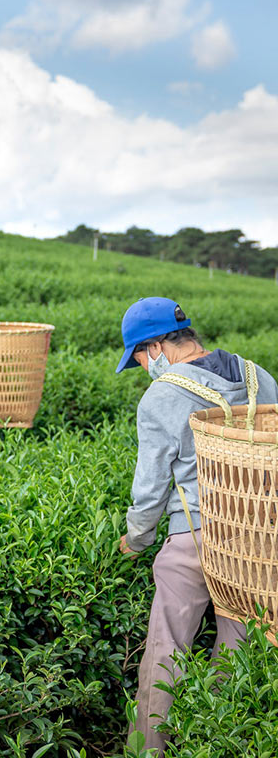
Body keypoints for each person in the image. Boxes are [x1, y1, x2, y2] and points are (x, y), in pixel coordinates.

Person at [115, 296, 278, 755]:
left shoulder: (162, 395)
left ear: (157, 346)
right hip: (259, 536)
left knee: (167, 647)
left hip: (197, 537)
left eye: (141, 356)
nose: (145, 366)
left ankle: (149, 747)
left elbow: (149, 490)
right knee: (241, 649)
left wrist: (137, 538)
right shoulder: (259, 376)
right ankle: (217, 744)